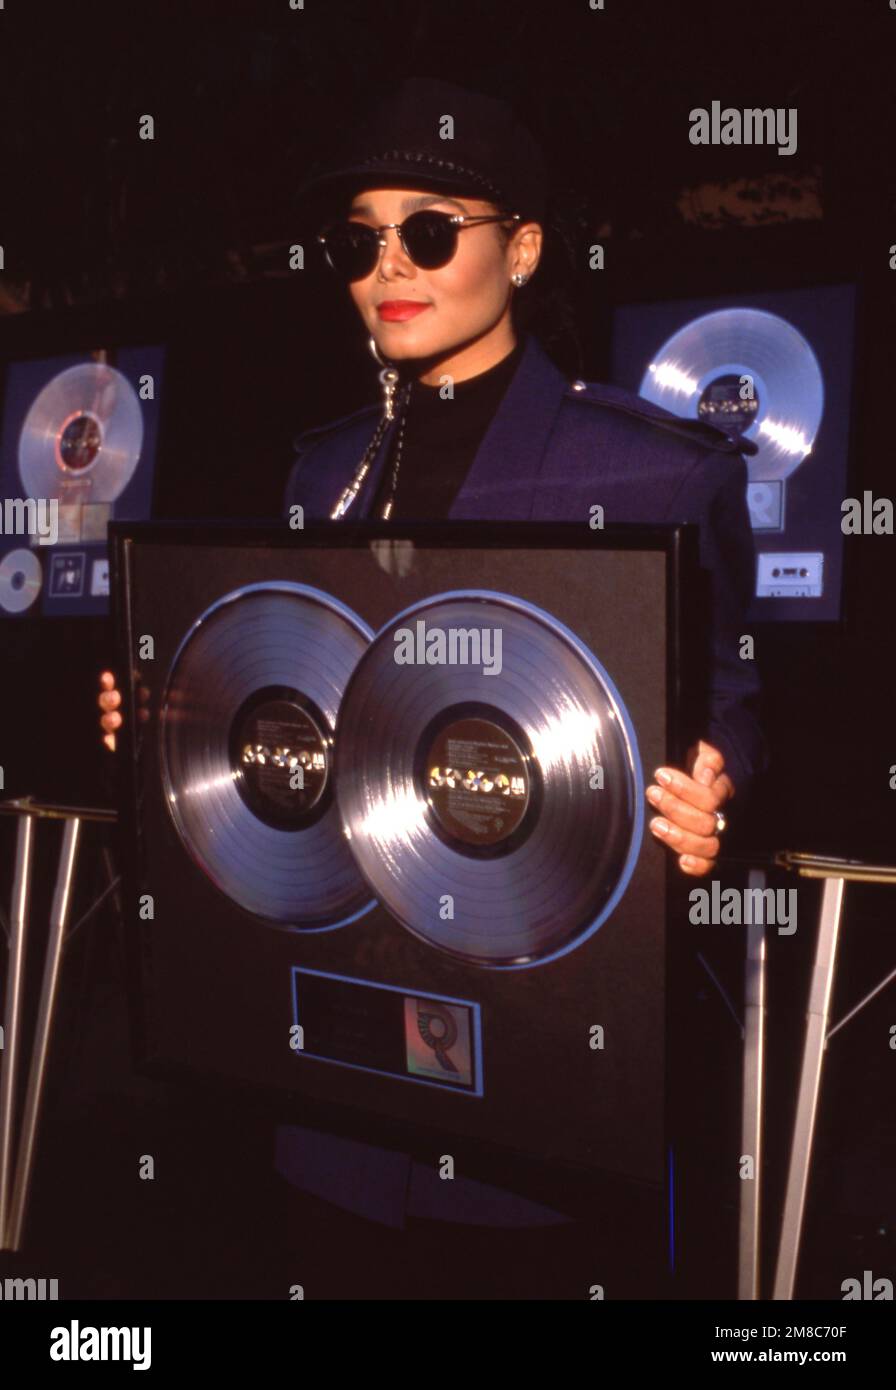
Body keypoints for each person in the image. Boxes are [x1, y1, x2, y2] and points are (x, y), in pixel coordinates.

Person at [98, 77, 766, 1289]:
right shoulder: (319, 474)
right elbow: (284, 700)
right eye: (359, 238)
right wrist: (170, 713)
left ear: (519, 248)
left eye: (426, 228)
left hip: (543, 1092)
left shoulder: (650, 471)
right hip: (332, 1080)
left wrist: (713, 783)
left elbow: (728, 689)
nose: (385, 266)